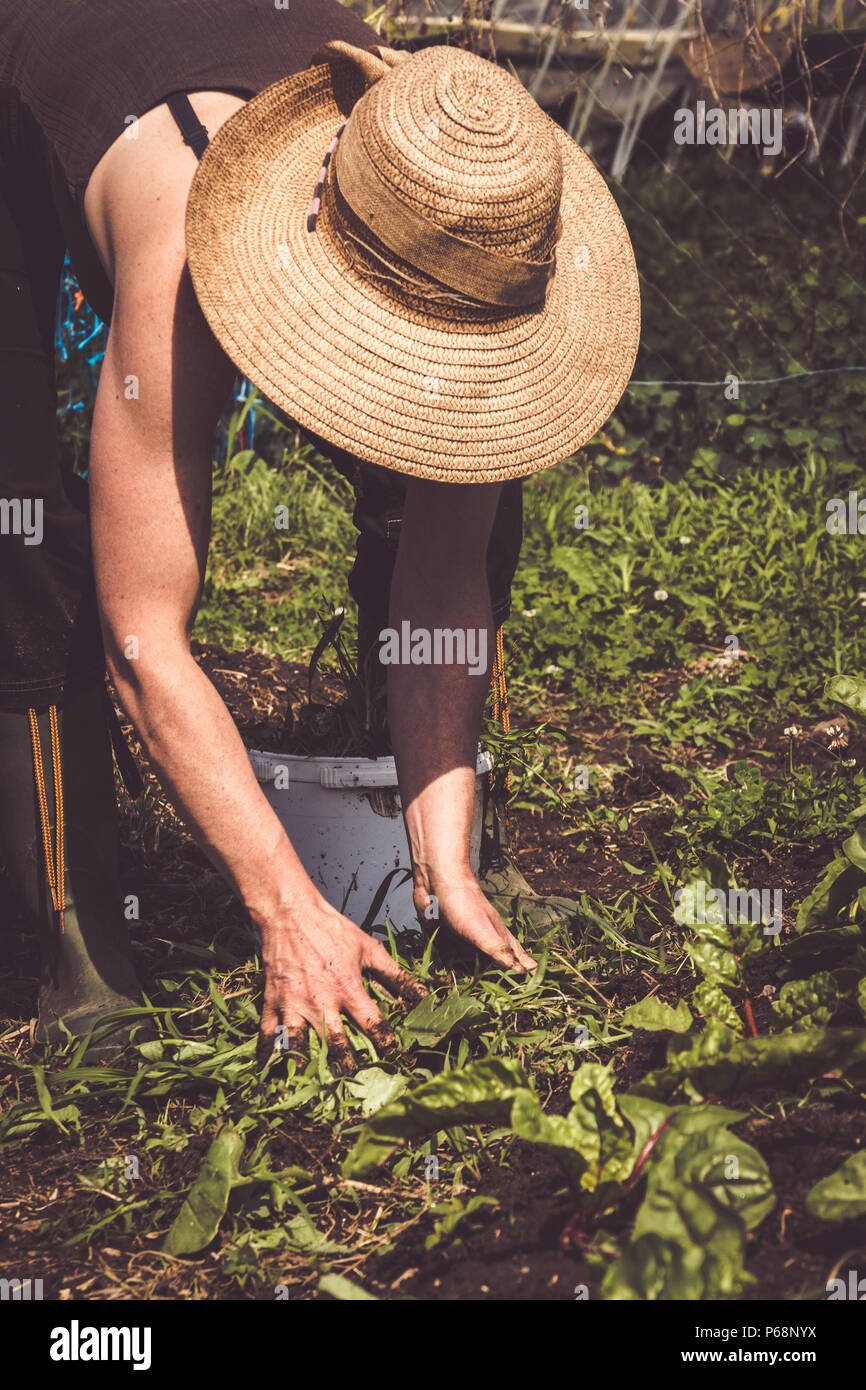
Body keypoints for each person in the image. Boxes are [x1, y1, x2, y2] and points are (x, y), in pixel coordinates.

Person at [0, 1, 639, 1064]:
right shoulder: (182, 266)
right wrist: (284, 905)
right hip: (34, 62)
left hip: (230, 63)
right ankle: (78, 943)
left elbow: (442, 583)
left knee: (467, 490)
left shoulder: (460, 209)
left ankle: (442, 844)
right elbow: (143, 635)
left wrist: (447, 862)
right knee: (22, 538)